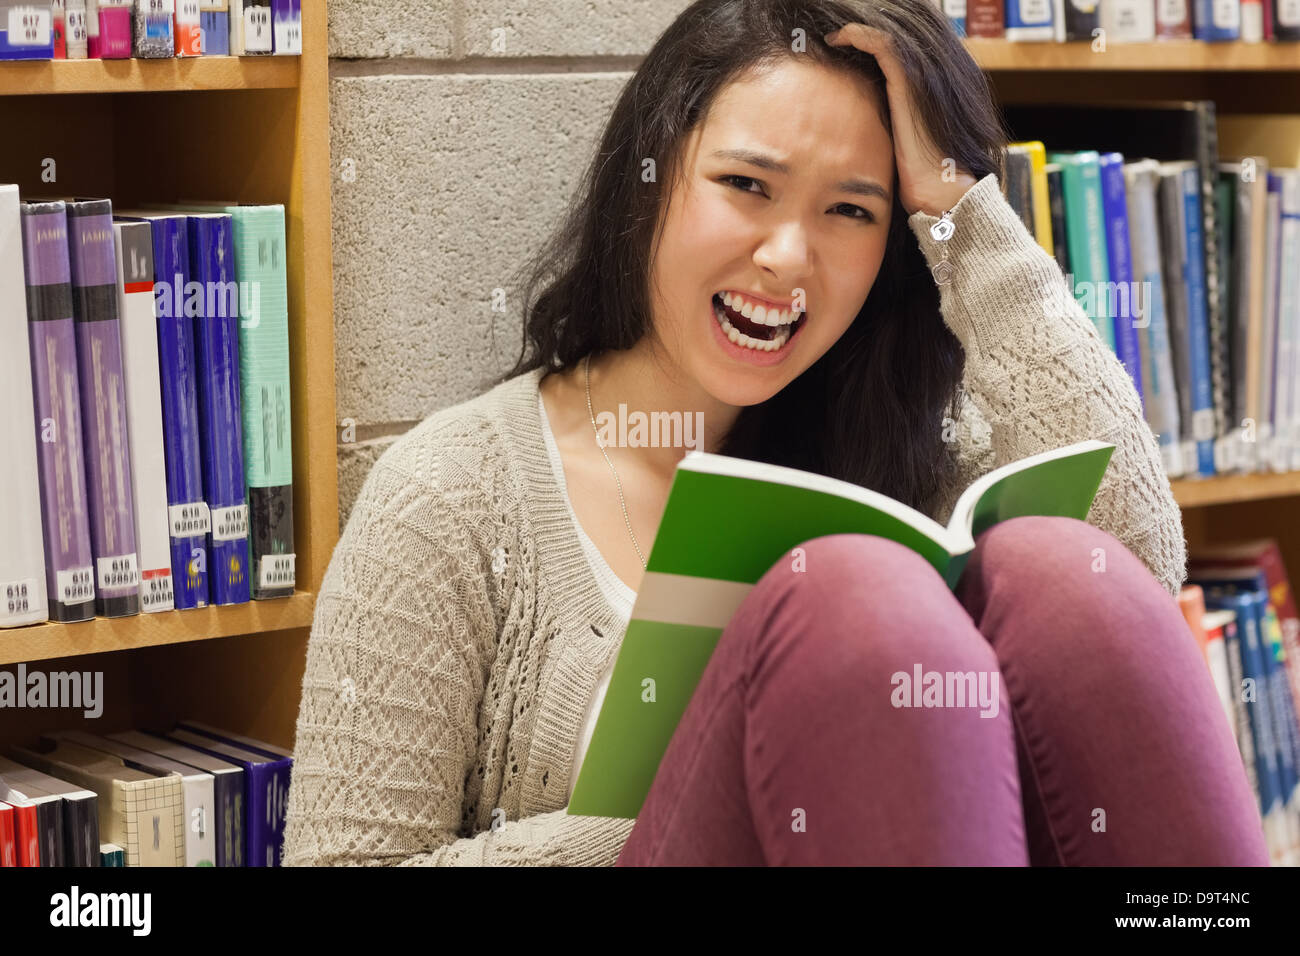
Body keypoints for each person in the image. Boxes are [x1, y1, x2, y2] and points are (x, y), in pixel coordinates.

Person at [281, 0, 1269, 866]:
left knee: (1061, 568)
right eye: (746, 186)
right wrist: (705, 791)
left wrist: (968, 217)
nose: (786, 256)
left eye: (850, 210)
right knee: (849, 597)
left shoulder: (907, 451)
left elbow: (1132, 594)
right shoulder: (452, 495)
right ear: (651, 175)